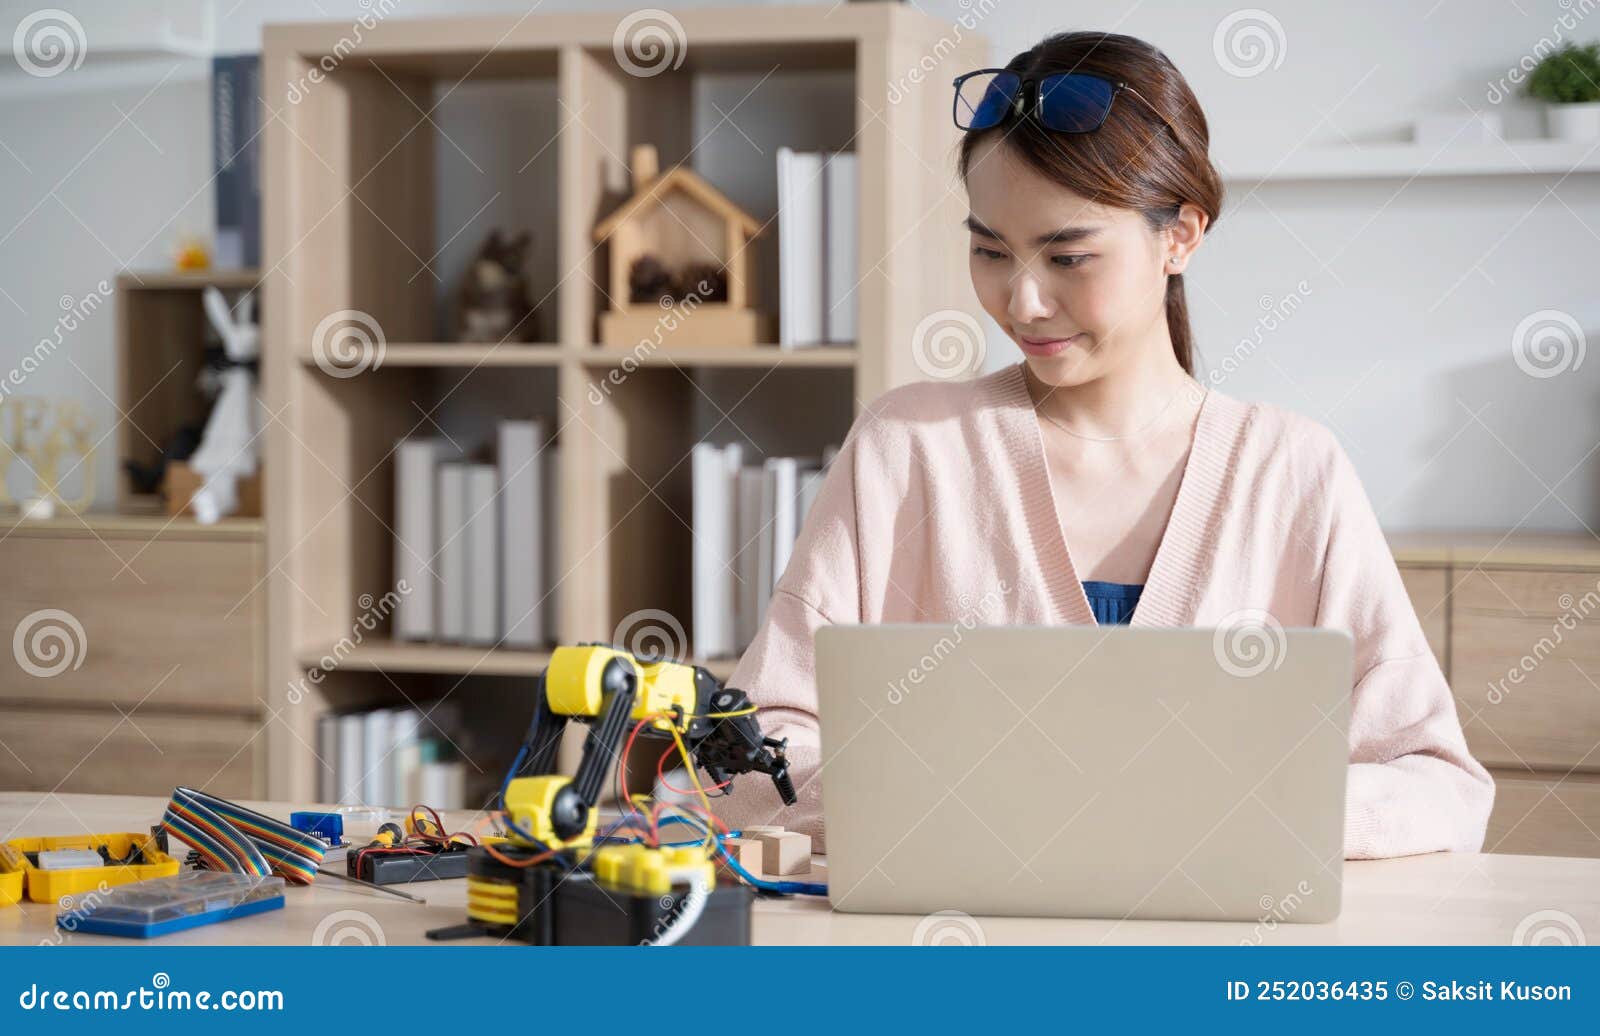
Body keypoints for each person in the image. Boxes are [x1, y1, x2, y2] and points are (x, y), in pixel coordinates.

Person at [714, 31, 1493, 860]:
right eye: (989, 251)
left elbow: (1439, 787)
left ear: (1181, 235)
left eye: (1069, 256)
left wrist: (1220, 814)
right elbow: (739, 762)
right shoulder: (908, 450)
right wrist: (970, 805)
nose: (1022, 300)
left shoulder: (1291, 471)